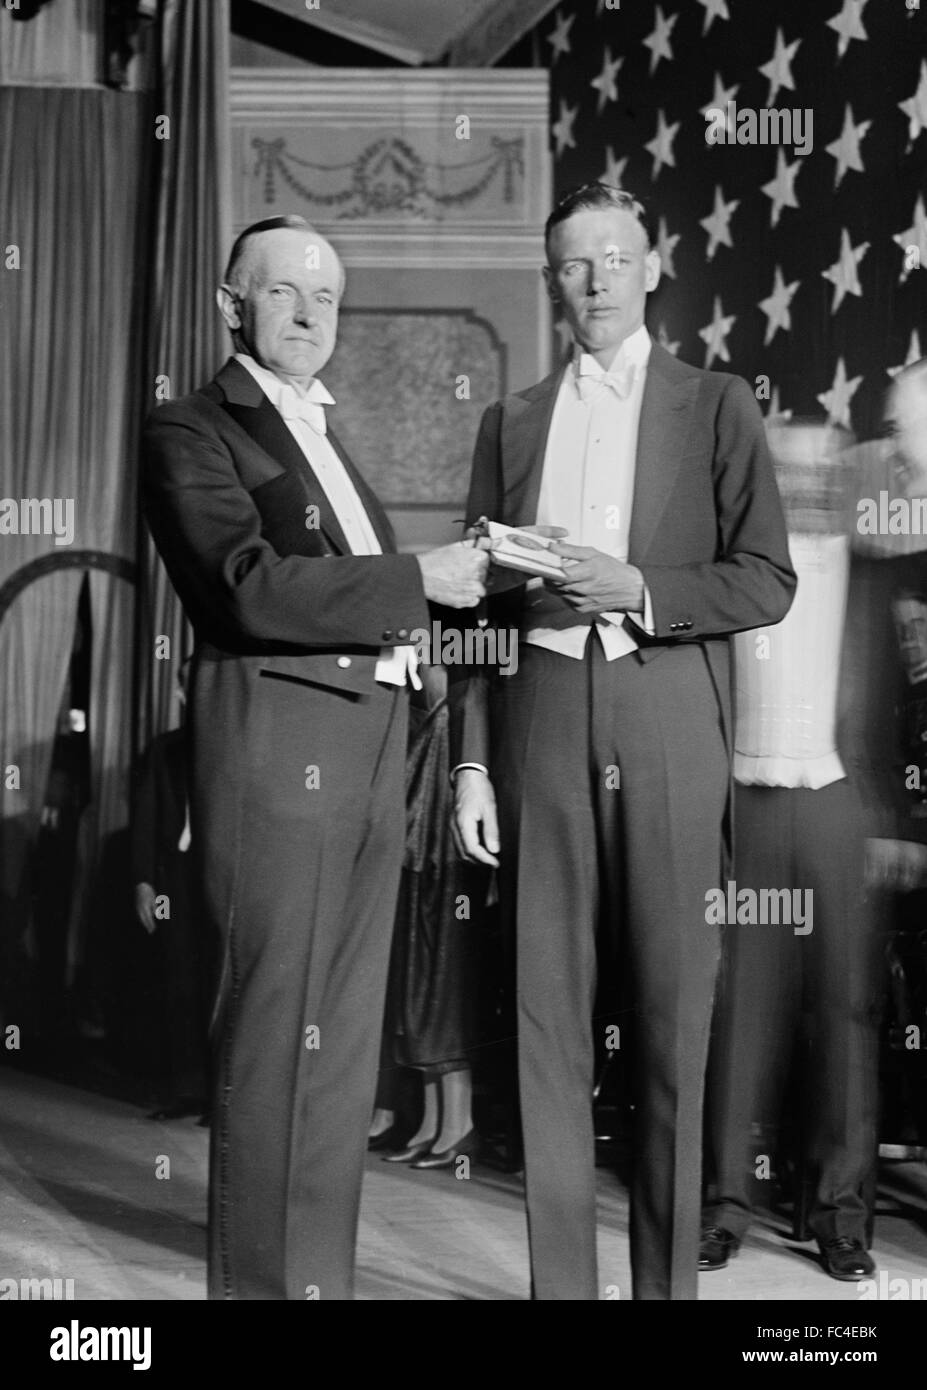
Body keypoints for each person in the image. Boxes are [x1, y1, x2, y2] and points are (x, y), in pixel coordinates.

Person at [450, 183, 796, 1300]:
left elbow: (766, 578)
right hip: (543, 720)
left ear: (652, 269)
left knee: (671, 1009)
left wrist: (639, 586)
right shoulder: (511, 420)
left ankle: (664, 1293)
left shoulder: (718, 402)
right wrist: (468, 760)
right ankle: (563, 1290)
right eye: (572, 264)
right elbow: (471, 609)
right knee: (545, 1011)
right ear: (553, 283)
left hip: (665, 714)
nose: (595, 279)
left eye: (615, 258)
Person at [141, 214, 488, 1300]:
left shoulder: (328, 438)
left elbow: (364, 589)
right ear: (231, 305)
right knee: (267, 1032)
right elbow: (243, 584)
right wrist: (415, 581)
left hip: (374, 748)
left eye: (326, 296)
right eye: (284, 291)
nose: (307, 312)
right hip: (278, 744)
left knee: (340, 1048)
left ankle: (315, 1286)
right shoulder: (191, 427)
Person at [701, 419, 881, 1284]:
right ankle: (723, 1204)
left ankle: (838, 1217)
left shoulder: (873, 570)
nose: (804, 486)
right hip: (749, 809)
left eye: (819, 471)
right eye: (786, 471)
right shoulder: (731, 570)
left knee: (844, 1018)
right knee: (740, 1012)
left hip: (838, 808)